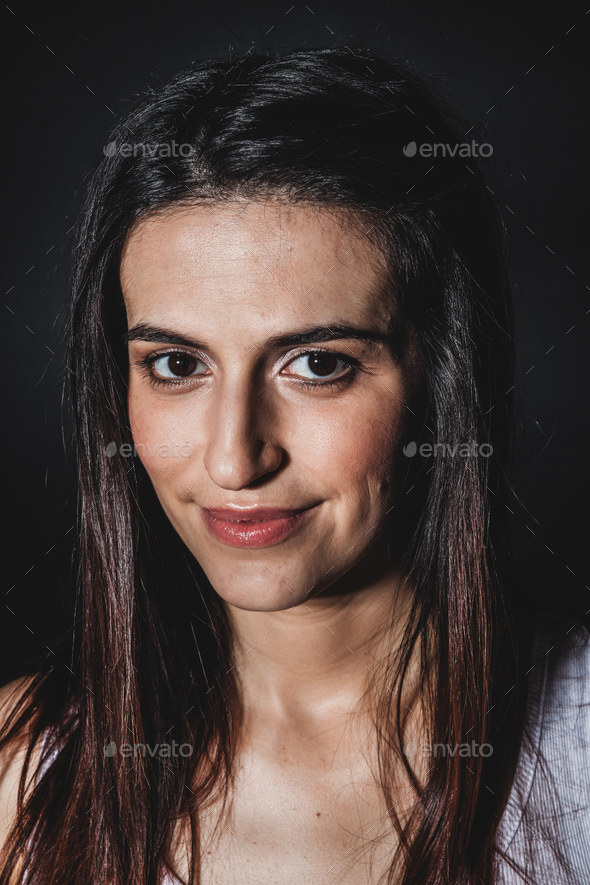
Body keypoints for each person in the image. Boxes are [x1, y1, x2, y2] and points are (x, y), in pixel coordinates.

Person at [0, 48, 588, 885]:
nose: (235, 458)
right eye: (176, 364)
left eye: (316, 365)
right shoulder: (23, 772)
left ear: (442, 378)